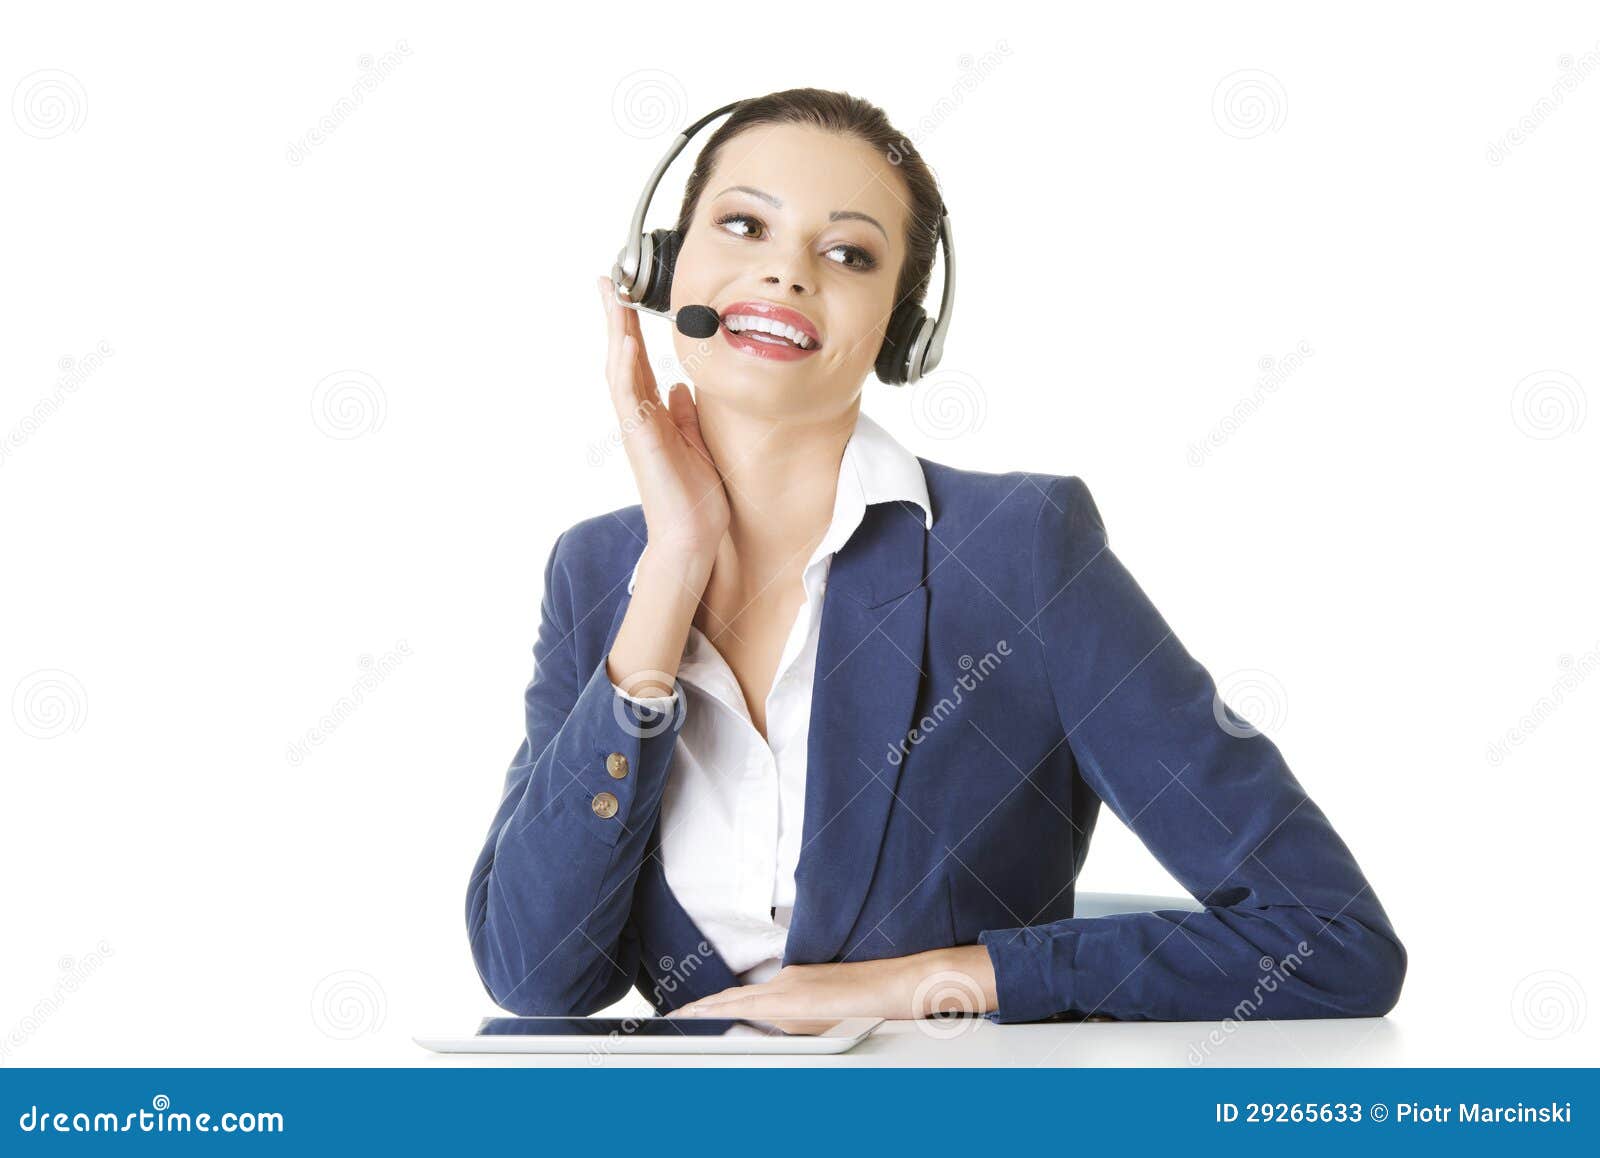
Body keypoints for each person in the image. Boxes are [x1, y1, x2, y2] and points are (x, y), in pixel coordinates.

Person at [464, 88, 1406, 1024]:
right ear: (661, 267)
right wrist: (673, 563)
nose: (786, 274)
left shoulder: (1017, 552)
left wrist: (919, 985)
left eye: (846, 253)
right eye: (744, 225)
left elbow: (1330, 937)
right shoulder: (599, 574)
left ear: (899, 330)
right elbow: (536, 974)